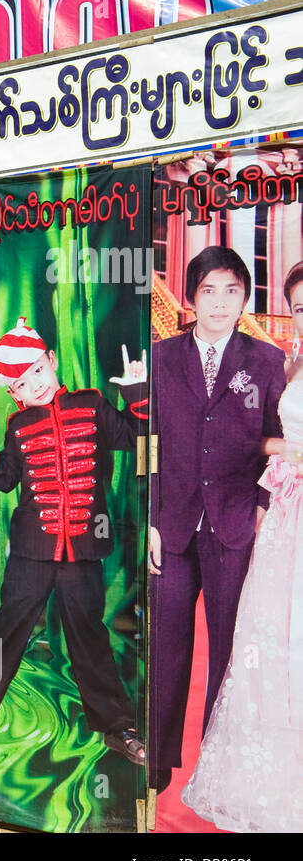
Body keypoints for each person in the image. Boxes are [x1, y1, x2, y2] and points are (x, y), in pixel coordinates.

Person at [0, 316, 148, 765]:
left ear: (52, 361)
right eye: (21, 383)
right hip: (31, 550)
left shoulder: (92, 404)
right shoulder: (19, 427)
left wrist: (136, 392)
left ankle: (118, 727)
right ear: (12, 393)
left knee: (89, 635)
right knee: (8, 627)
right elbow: (5, 479)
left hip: (82, 549)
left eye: (39, 370)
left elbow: (139, 436)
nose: (35, 385)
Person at [149, 245, 286, 790]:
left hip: (235, 529)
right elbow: (148, 443)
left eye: (233, 291)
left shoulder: (266, 360)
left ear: (244, 298)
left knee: (229, 653)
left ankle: (216, 769)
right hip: (174, 528)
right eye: (209, 290)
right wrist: (153, 521)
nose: (221, 302)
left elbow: (279, 443)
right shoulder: (160, 357)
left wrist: (260, 510)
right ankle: (155, 766)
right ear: (191, 296)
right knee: (166, 651)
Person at [182, 261, 303, 831]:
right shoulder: (288, 361)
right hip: (283, 517)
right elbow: (274, 437)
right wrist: (275, 461)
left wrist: (286, 456)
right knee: (269, 636)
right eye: (299, 305)